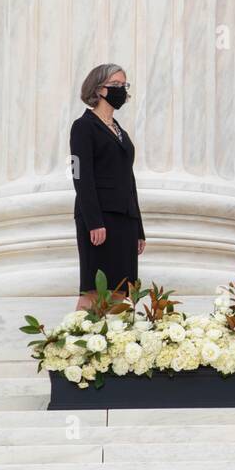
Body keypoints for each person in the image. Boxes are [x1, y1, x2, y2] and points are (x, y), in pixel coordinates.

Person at [70, 64, 146, 309]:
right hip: (99, 220)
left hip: (125, 220)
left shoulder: (120, 131)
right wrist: (94, 221)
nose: (121, 90)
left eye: (124, 85)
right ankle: (73, 342)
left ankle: (109, 346)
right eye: (115, 85)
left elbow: (128, 179)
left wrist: (139, 228)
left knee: (120, 291)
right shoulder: (83, 127)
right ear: (97, 88)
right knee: (94, 289)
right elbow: (81, 177)